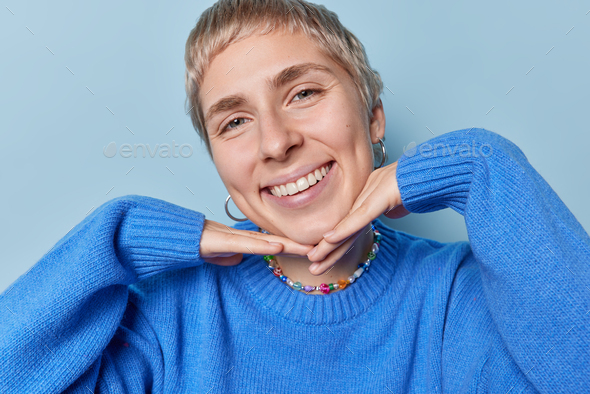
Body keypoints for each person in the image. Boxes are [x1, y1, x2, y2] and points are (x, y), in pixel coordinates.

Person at [1, 0, 589, 392]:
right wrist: (117, 239)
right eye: (233, 123)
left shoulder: (456, 300)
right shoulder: (169, 317)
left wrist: (478, 167)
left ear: (374, 117)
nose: (276, 142)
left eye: (304, 92)